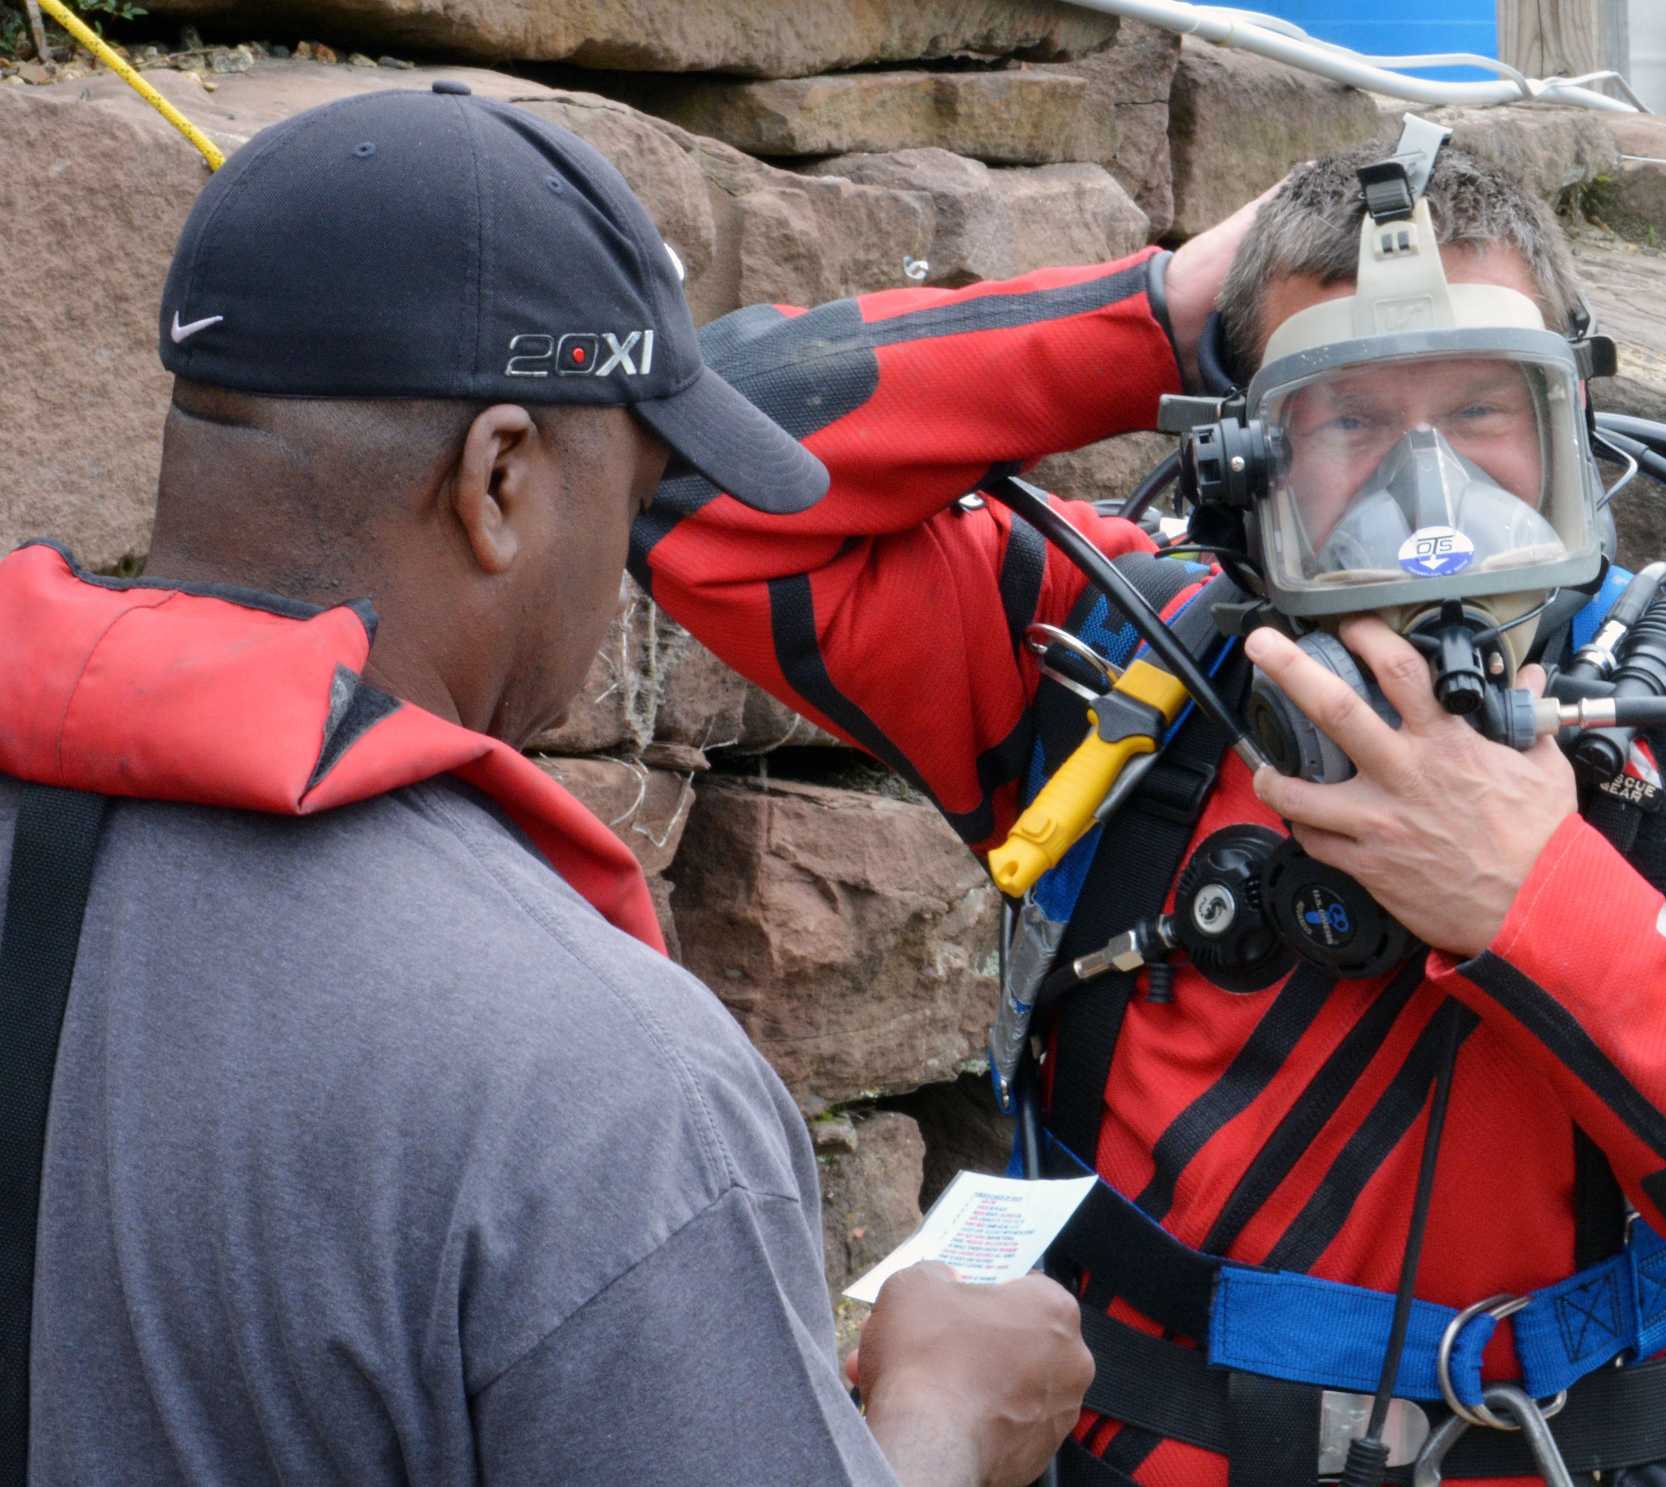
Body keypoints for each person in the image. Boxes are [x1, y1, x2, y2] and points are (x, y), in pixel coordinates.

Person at [635, 135, 1666, 1486]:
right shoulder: (1119, 669)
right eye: (1345, 420)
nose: (1428, 496)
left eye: (1485, 410)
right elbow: (694, 468)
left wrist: (1537, 903)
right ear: (1246, 461)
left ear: (1573, 435)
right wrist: (1159, 314)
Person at [0, 86, 1091, 1486]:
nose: (629, 576)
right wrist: (940, 1427)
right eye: (632, 498)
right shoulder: (605, 1090)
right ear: (500, 479)